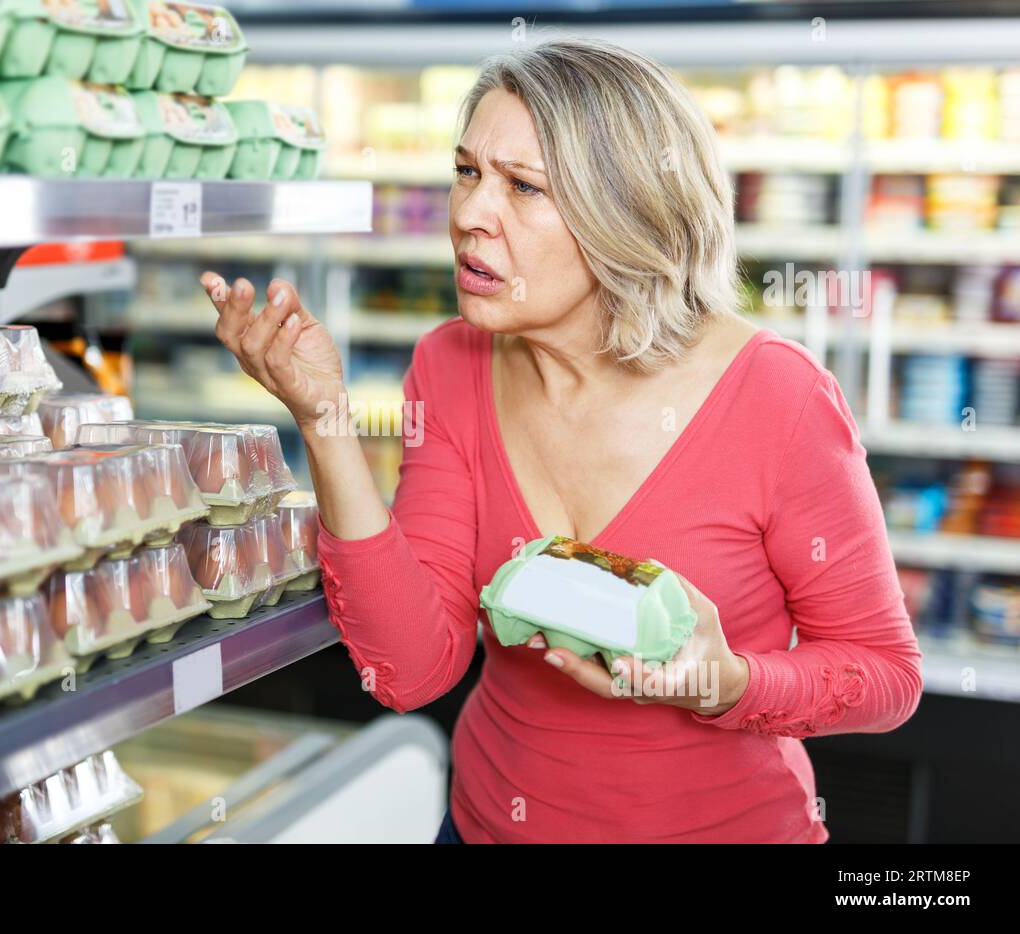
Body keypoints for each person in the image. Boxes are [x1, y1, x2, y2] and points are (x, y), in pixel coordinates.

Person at [198, 37, 923, 844]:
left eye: (523, 186)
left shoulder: (776, 397)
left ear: (628, 214)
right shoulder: (451, 365)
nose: (471, 212)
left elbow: (887, 674)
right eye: (467, 171)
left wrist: (729, 683)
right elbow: (408, 667)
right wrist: (323, 417)